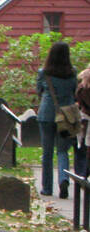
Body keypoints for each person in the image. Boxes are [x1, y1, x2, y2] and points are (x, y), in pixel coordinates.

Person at [36, 42, 80, 197]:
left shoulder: (44, 73)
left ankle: (47, 188)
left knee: (47, 152)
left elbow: (39, 90)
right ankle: (63, 179)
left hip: (47, 114)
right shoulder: (72, 72)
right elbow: (75, 91)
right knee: (62, 151)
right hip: (67, 116)